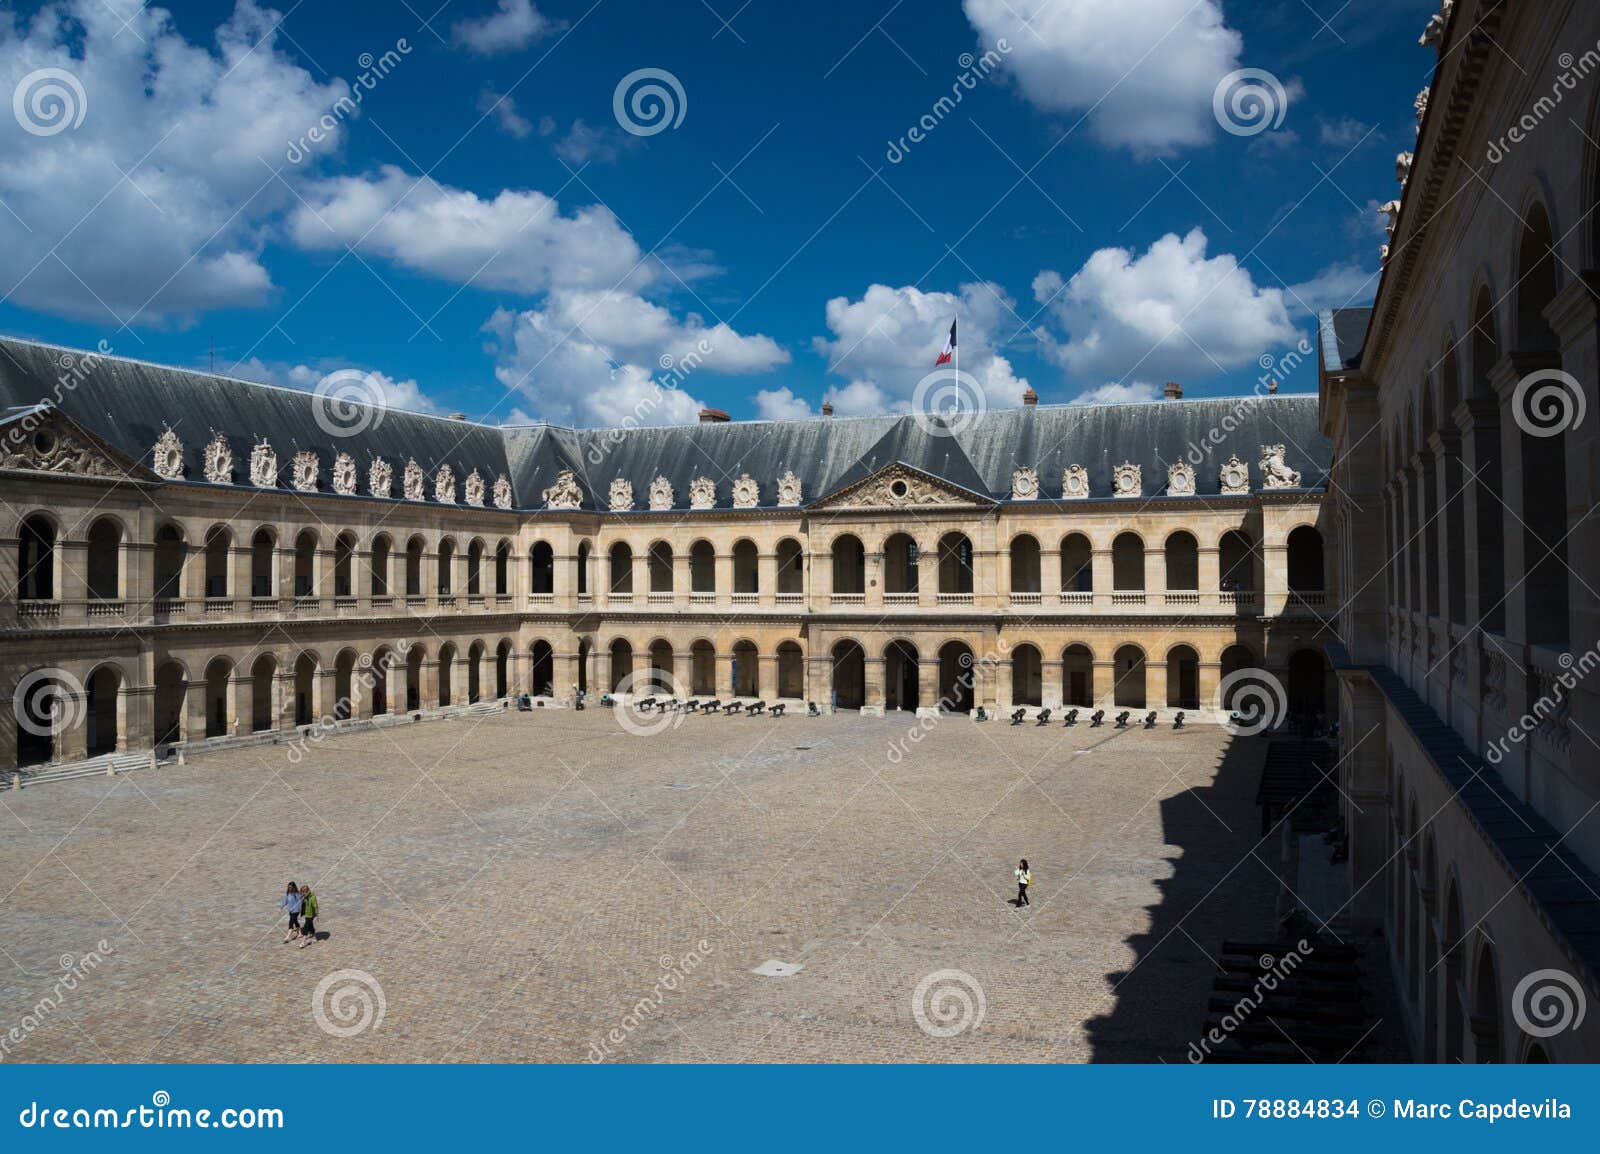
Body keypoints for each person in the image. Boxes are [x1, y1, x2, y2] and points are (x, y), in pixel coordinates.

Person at [298, 883, 319, 948]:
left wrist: (317, 915)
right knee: (310, 926)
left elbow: (315, 906)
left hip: (311, 915)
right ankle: (315, 939)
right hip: (307, 914)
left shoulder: (312, 897)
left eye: (303, 893)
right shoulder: (305, 897)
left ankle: (303, 942)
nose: (302, 894)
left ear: (306, 891)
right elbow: (304, 905)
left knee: (305, 927)